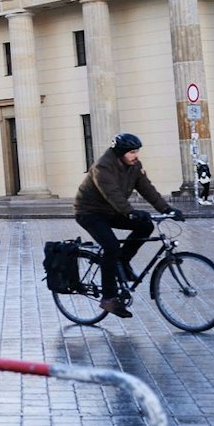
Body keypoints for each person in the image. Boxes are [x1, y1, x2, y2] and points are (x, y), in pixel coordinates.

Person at [73, 132, 177, 319]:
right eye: (132, 152)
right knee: (111, 247)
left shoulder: (134, 166)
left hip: (113, 211)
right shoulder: (103, 166)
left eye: (137, 152)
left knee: (145, 226)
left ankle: (122, 260)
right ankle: (109, 297)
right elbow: (111, 193)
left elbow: (147, 189)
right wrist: (129, 211)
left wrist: (166, 209)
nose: (135, 156)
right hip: (90, 212)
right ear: (120, 152)